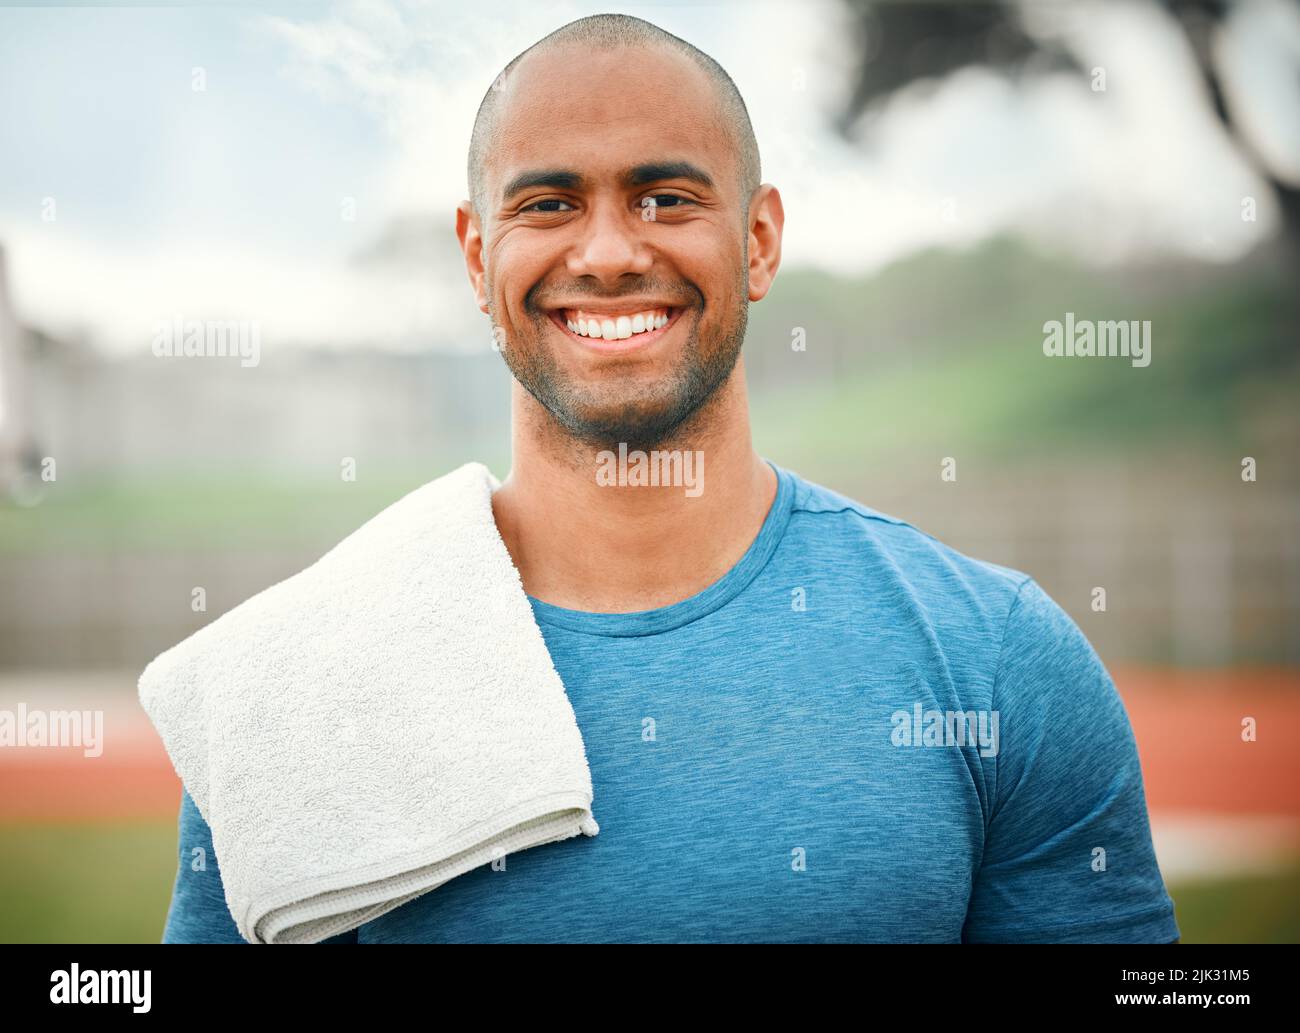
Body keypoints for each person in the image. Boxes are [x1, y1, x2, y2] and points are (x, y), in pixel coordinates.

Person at [161, 12, 1179, 944]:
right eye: (549, 202)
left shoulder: (995, 660)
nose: (606, 253)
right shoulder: (289, 685)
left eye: (665, 197)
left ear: (759, 240)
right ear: (477, 257)